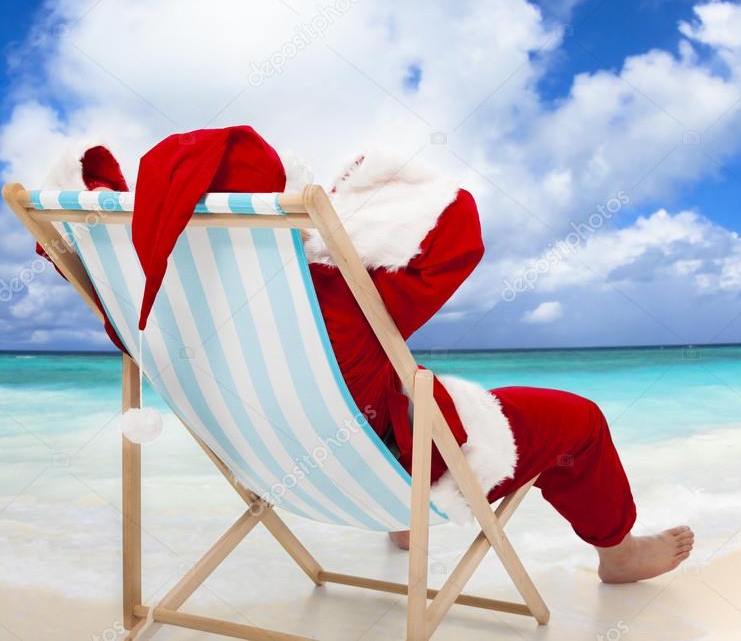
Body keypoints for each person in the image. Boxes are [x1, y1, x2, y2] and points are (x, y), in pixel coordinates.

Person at [42, 128, 694, 583]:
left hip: (271, 463)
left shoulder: (135, 300)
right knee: (576, 418)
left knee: (415, 392)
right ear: (273, 208)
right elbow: (457, 231)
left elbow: (93, 220)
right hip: (389, 465)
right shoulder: (328, 288)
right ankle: (618, 554)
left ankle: (405, 526)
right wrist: (377, 183)